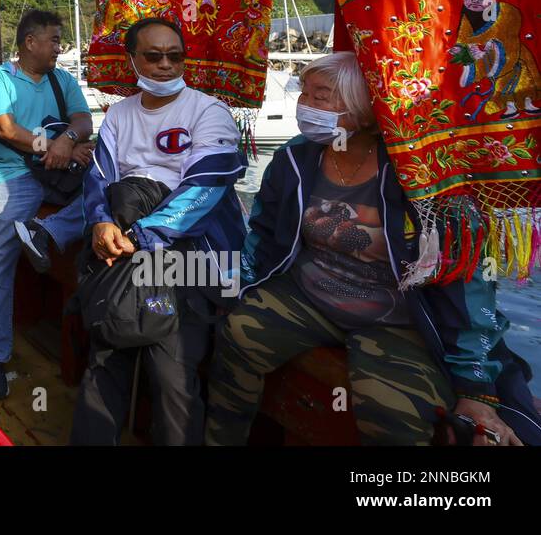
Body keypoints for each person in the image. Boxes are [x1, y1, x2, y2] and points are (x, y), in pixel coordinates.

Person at [207, 50, 541, 446]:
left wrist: (474, 388)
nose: (305, 106)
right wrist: (239, 287)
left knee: (391, 409)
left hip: (397, 318)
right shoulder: (295, 157)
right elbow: (262, 233)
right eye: (305, 94)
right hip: (310, 295)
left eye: (321, 96)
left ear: (362, 109)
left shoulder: (416, 173)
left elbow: (466, 279)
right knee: (237, 335)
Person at [32, 17, 245, 445]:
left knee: (173, 376)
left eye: (175, 56)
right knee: (107, 353)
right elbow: (98, 180)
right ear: (133, 60)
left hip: (189, 255)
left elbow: (206, 188)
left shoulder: (209, 112)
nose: (166, 65)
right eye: (154, 56)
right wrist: (101, 222)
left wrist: (141, 236)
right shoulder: (120, 115)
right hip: (123, 247)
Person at [0, 9, 93, 399]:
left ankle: (46, 234)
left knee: (106, 195)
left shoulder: (63, 80)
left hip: (59, 176)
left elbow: (83, 120)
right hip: (16, 175)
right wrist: (54, 146)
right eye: (55, 40)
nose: (59, 48)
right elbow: (4, 129)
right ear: (30, 42)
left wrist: (70, 138)